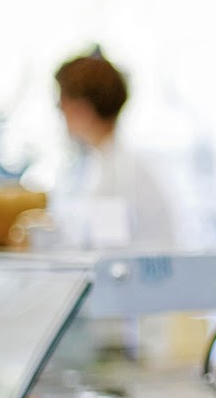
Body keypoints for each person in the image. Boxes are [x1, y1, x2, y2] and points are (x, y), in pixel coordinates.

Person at [50, 48, 177, 248]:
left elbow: (109, 256)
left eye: (62, 101)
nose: (58, 109)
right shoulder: (107, 164)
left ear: (82, 108)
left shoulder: (117, 175)